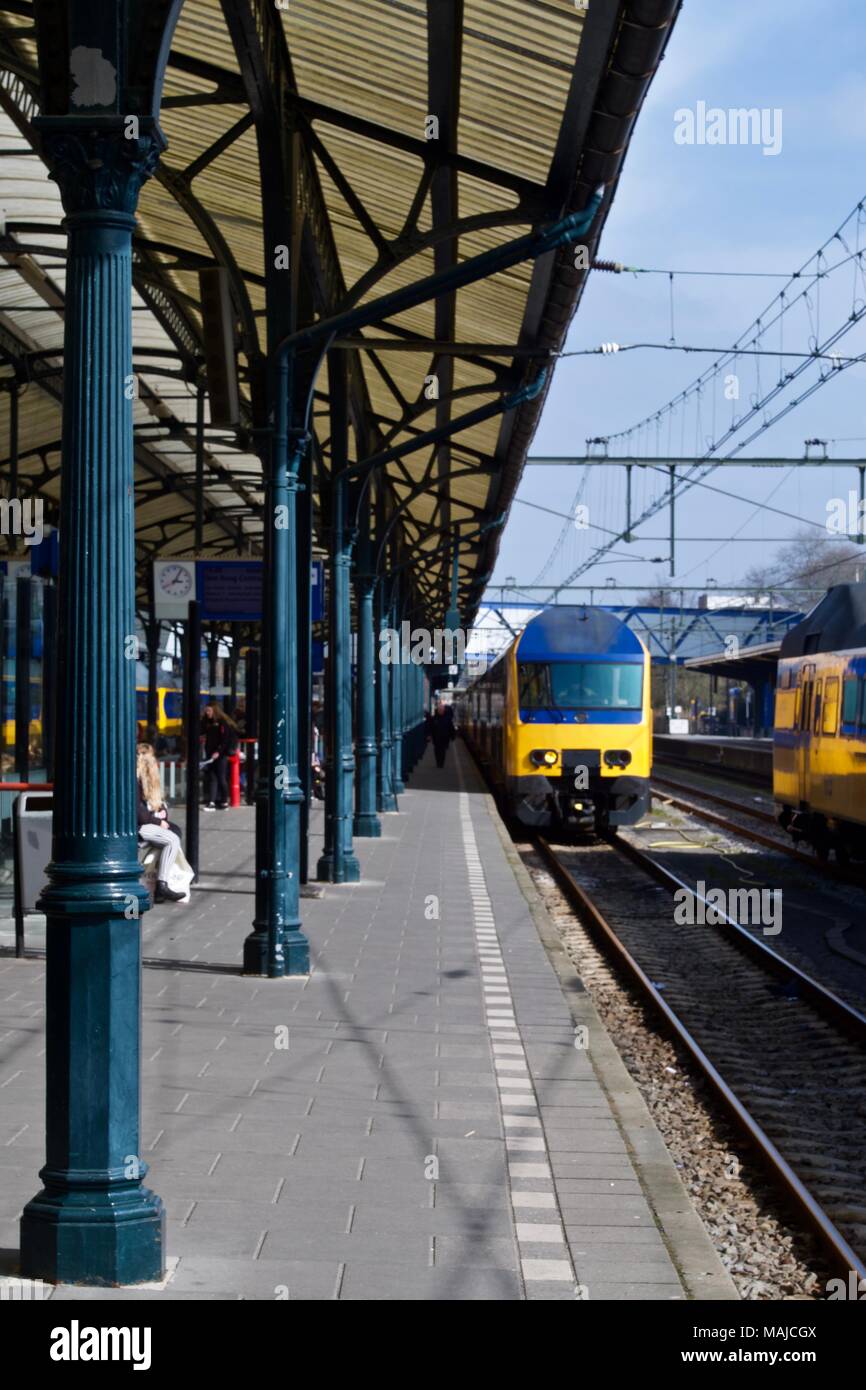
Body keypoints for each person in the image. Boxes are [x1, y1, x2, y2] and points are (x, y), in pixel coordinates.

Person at [137, 743, 185, 903]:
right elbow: (140, 814)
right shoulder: (134, 781)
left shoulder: (145, 781)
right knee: (172, 839)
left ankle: (160, 886)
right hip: (138, 827)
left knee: (175, 831)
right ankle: (161, 885)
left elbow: (153, 804)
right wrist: (158, 821)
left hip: (146, 823)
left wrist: (161, 813)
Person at [200, 702, 240, 810]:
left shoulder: (222, 723)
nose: (207, 713)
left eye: (209, 711)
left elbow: (225, 739)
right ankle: (212, 802)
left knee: (221, 777)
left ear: (215, 711)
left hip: (221, 755)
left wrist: (219, 751)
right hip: (211, 754)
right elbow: (201, 731)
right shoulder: (208, 722)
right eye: (206, 711)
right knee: (213, 777)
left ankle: (224, 800)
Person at [430, 700, 453, 769]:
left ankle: (441, 763)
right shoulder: (434, 718)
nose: (440, 711)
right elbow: (431, 727)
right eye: (439, 710)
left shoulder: (447, 718)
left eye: (442, 710)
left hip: (444, 737)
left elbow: (451, 728)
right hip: (436, 738)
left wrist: (452, 736)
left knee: (442, 751)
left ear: (444, 710)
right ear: (438, 710)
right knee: (437, 751)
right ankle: (438, 762)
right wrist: (429, 735)